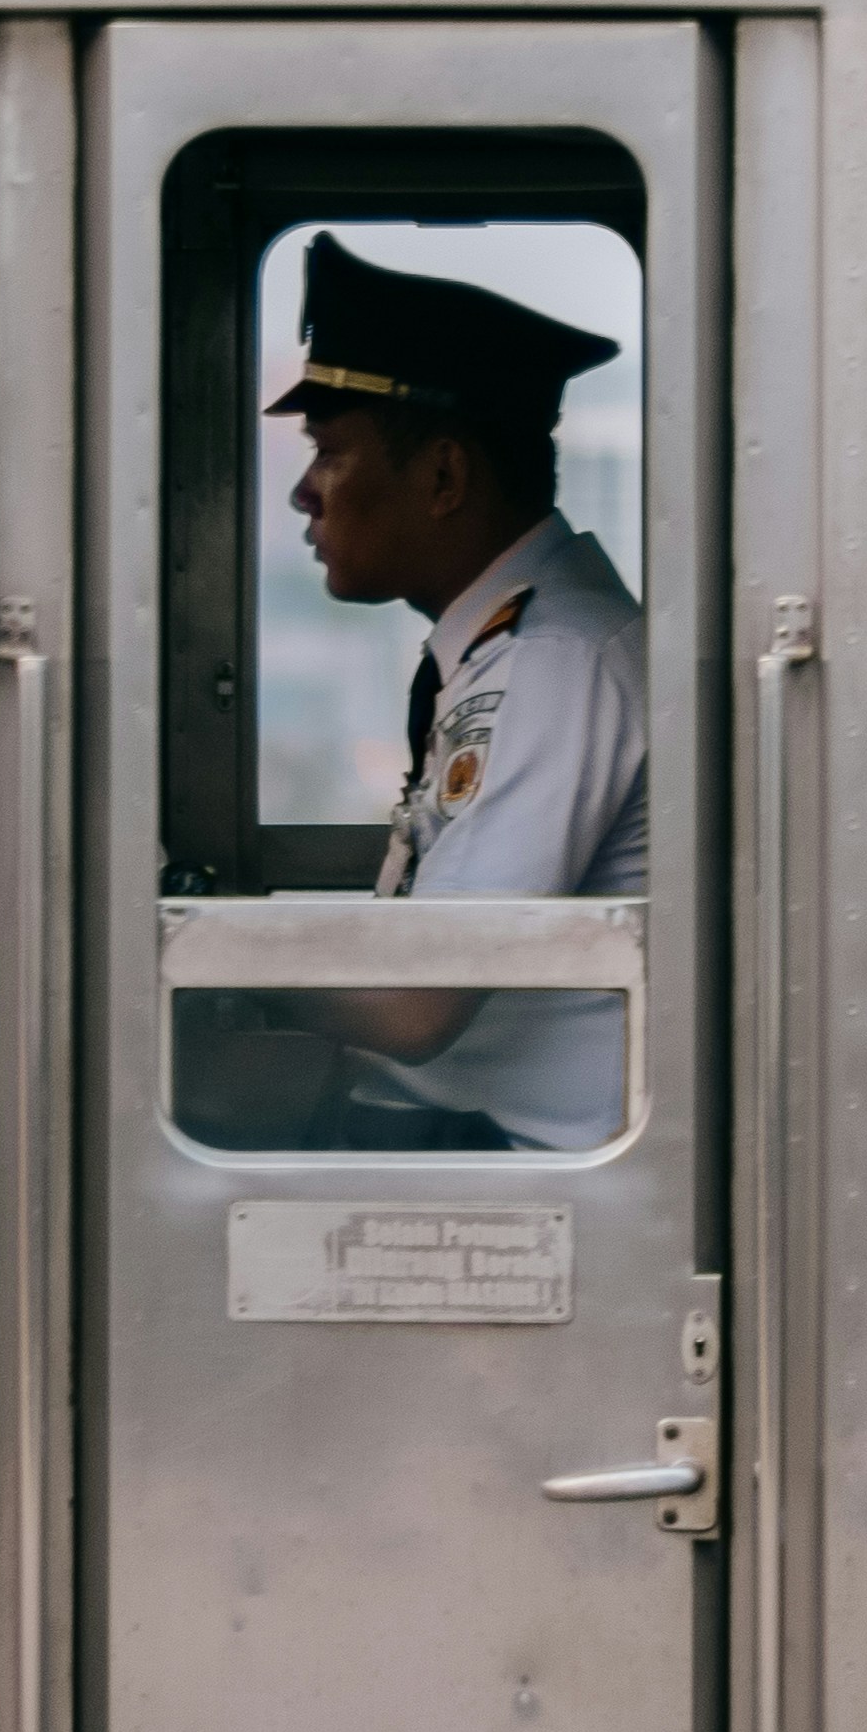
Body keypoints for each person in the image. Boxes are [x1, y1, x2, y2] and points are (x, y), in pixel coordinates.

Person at [265, 235, 644, 1152]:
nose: (301, 495)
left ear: (442, 476)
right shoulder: (500, 647)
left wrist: (222, 977)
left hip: (501, 1159)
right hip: (445, 1130)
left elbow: (418, 1000)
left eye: (329, 453)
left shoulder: (556, 659)